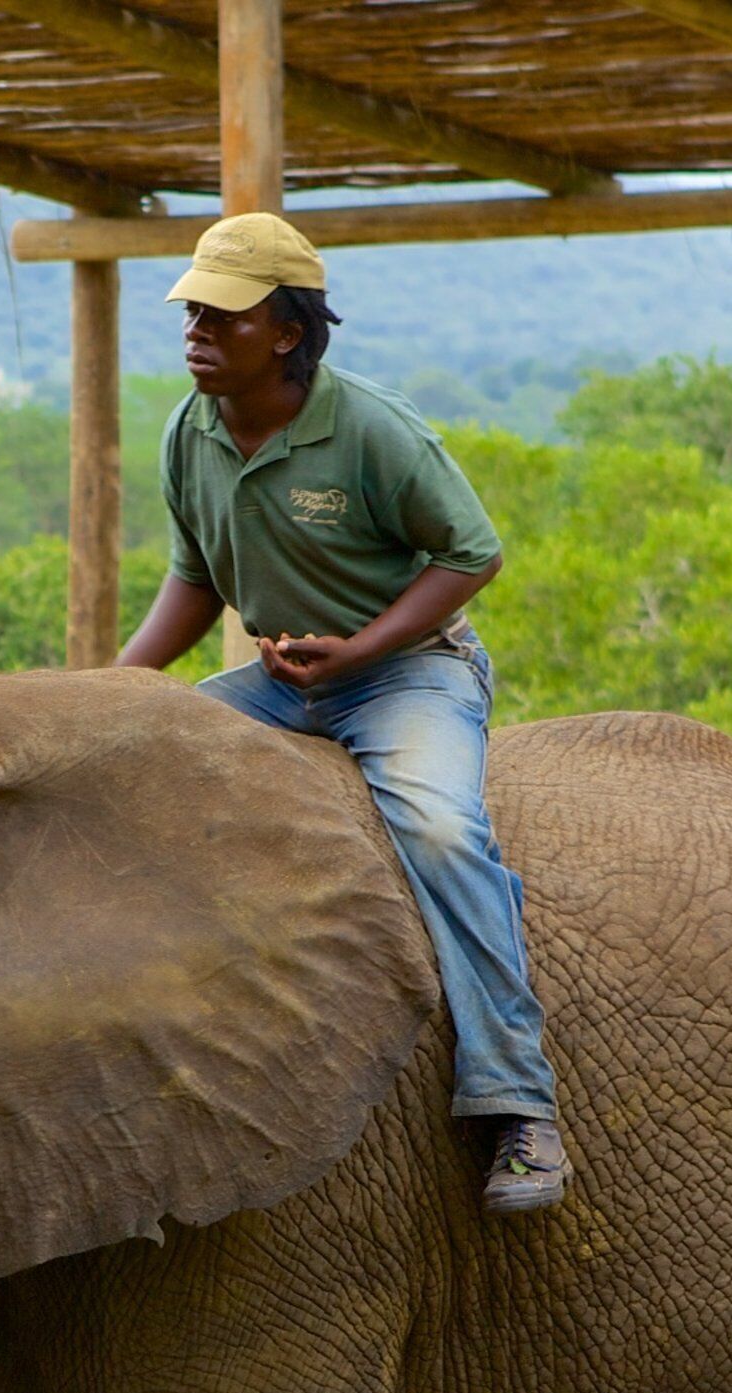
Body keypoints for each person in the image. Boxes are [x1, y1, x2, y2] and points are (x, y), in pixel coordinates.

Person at [112, 213, 567, 1215]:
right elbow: (196, 578)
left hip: (406, 674)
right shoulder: (190, 431)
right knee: (131, 772)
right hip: (280, 681)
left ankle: (519, 1101)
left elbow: (472, 553)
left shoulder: (368, 427)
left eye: (222, 315)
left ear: (287, 334)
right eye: (191, 311)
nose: (195, 330)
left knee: (440, 831)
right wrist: (110, 692)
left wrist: (362, 649)